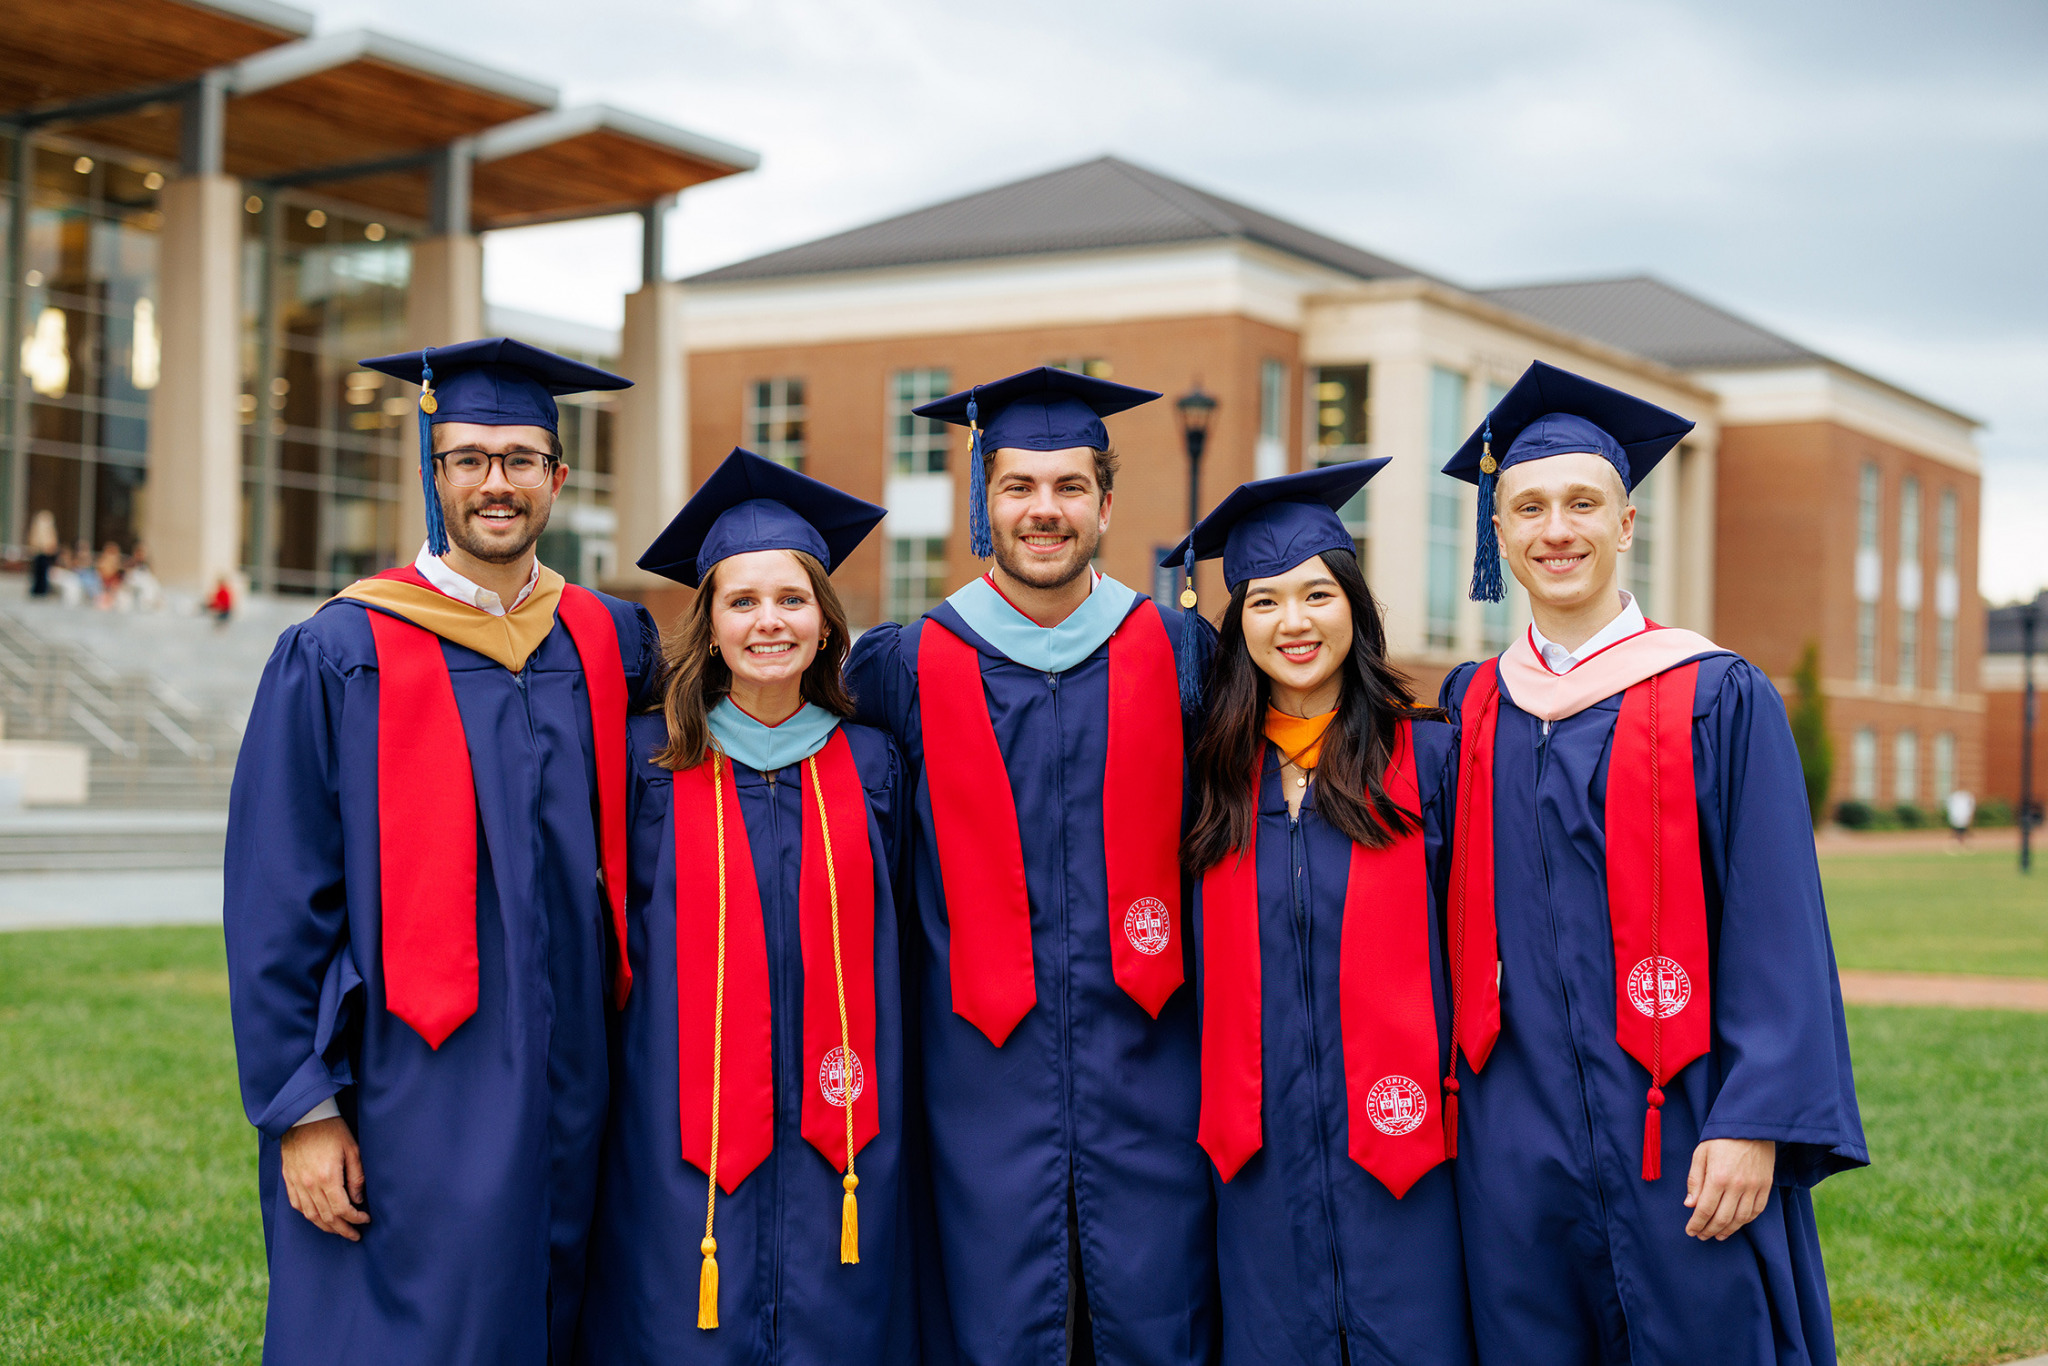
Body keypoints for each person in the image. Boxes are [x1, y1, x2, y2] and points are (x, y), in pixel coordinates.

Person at [224, 338, 655, 1365]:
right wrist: (303, 1108)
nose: (495, 482)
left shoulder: (605, 639)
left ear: (557, 476)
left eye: (519, 459)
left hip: (580, 1068)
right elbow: (277, 893)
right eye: (469, 459)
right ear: (434, 471)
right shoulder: (342, 650)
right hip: (408, 1076)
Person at [1435, 362, 1865, 1365]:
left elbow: (1776, 926)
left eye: (1582, 504)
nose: (1556, 530)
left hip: (1681, 1122)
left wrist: (1753, 1120)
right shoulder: (1471, 709)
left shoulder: (1716, 695)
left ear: (1626, 524)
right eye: (1529, 507)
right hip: (1512, 1135)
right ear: (1497, 532)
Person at [847, 366, 1219, 1366]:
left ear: (1106, 504)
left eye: (1068, 487)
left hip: (1154, 1077)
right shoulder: (905, 664)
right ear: (985, 502)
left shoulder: (1181, 653)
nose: (1042, 510)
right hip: (972, 1086)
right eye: (1017, 486)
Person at [579, 447, 917, 1364]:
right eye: (743, 601)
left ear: (826, 620)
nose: (769, 621)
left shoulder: (874, 765)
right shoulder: (646, 764)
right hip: (672, 1132)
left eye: (792, 599)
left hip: (845, 1133)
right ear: (709, 624)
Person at [1167, 462, 1475, 1366]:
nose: (1293, 622)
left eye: (1316, 595)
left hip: (1416, 1157)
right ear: (1238, 626)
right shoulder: (1210, 780)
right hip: (1256, 1165)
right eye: (1264, 602)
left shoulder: (1432, 761)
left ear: (1355, 606)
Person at [27, 510, 57, 597]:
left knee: (39, 577)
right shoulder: (46, 533)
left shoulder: (36, 532)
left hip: (40, 557)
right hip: (42, 557)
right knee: (41, 577)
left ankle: (39, 590)